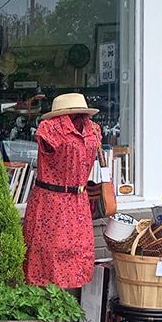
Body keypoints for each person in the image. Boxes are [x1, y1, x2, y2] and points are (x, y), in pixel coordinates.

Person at [23, 93, 100, 288]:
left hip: (79, 203)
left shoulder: (94, 130)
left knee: (77, 254)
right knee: (48, 257)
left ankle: (64, 309)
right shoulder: (51, 129)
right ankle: (46, 311)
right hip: (51, 202)